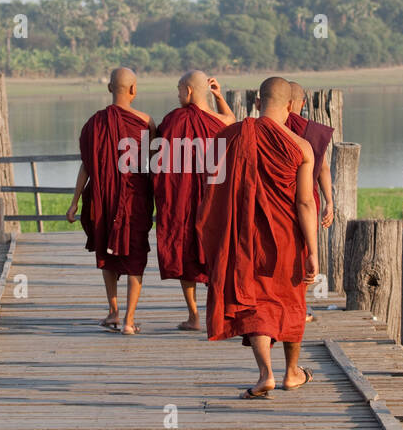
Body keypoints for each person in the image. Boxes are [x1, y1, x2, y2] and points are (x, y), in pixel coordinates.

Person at [197, 76, 319, 399]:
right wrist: (313, 251)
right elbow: (306, 202)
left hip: (245, 236)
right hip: (287, 239)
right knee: (291, 301)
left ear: (256, 102)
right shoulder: (301, 147)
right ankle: (292, 372)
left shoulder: (231, 136)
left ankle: (266, 373)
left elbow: (213, 189)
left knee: (256, 304)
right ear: (290, 106)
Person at [65, 67, 155, 335]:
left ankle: (113, 311)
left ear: (109, 89)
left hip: (102, 199)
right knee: (136, 255)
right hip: (135, 198)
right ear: (133, 90)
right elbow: (153, 163)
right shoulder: (147, 122)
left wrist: (74, 201)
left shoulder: (95, 123)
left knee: (107, 253)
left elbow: (87, 166)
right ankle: (128, 319)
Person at [152, 70, 236, 331]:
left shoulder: (172, 120)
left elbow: (158, 161)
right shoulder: (217, 121)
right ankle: (219, 313)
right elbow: (231, 121)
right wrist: (219, 97)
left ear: (187, 91)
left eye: (179, 89)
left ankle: (194, 316)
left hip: (182, 201)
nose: (178, 95)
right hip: (213, 202)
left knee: (186, 252)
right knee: (216, 251)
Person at [285, 82, 335, 321]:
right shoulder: (310, 130)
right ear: (302, 103)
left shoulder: (273, 127)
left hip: (280, 200)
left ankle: (291, 306)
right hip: (309, 199)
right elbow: (323, 168)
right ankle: (299, 306)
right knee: (305, 252)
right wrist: (329, 201)